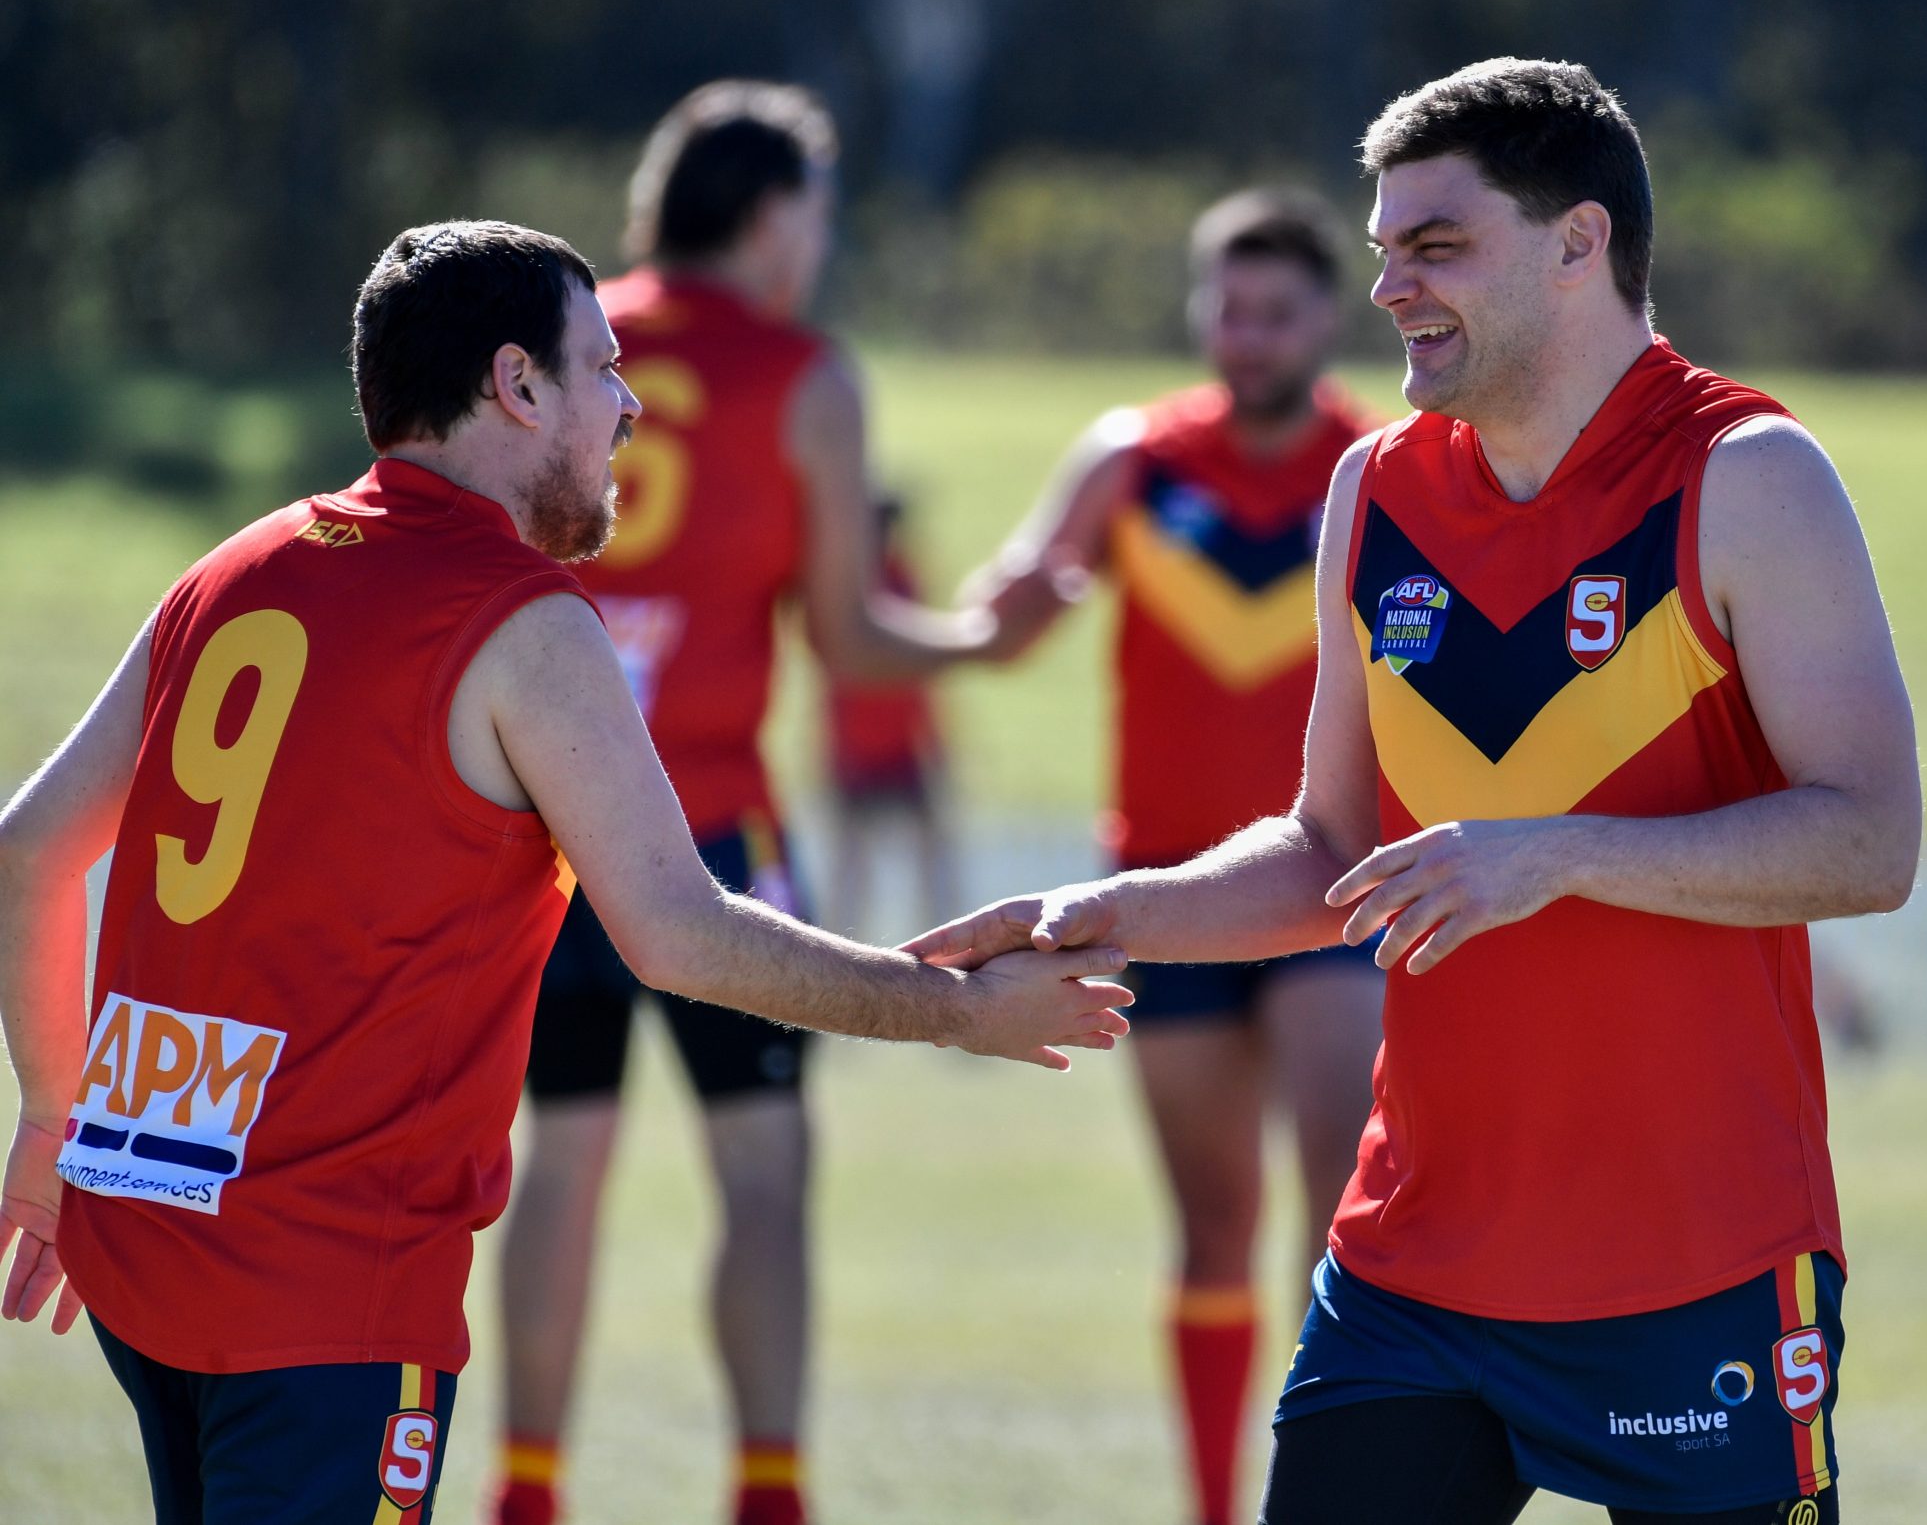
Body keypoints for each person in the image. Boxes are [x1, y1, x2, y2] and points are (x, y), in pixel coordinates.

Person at [910, 59, 1922, 1525]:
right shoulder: (1375, 492)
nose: (1389, 287)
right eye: (1384, 249)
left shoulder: (1748, 473)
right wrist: (1109, 907)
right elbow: (1330, 848)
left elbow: (1869, 837)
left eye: (1436, 246)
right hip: (1411, 1274)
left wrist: (1556, 853)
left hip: (1697, 1262)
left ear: (1580, 243)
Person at [0, 219, 1130, 1525]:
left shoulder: (230, 568)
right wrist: (956, 1008)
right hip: (323, 1287)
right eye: (600, 366)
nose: (630, 405)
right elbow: (679, 933)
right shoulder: (524, 621)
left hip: (143, 1231)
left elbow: (28, 849)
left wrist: (50, 1120)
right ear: (516, 384)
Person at [490, 83, 1048, 1525]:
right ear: (769, 214)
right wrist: (989, 633)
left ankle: (528, 1486)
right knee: (766, 1165)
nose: (825, 234)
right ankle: (770, 1487)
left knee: (562, 1147)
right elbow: (853, 638)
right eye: (818, 205)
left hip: (532, 833)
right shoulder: (807, 373)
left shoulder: (561, 339)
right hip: (712, 833)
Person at [962, 189, 1385, 1525]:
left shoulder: (1383, 465)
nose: (1246, 335)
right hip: (1167, 896)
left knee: (1345, 1216)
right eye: (1226, 306)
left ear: (1329, 315)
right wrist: (1008, 606)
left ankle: (1335, 1493)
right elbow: (1012, 604)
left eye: (1275, 310)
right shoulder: (1133, 457)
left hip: (1334, 887)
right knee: (1213, 1220)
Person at [820, 495, 958, 942]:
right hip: (859, 746)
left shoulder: (897, 579)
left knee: (931, 852)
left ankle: (943, 936)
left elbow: (922, 676)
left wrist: (935, 740)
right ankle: (842, 941)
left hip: (900, 744)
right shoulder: (854, 586)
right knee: (854, 861)